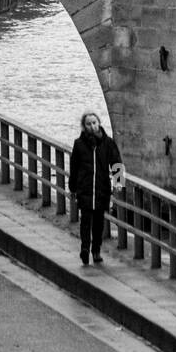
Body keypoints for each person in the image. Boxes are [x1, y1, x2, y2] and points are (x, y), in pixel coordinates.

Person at [68, 111, 122, 266]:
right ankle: (84, 249)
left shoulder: (108, 143)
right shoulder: (79, 144)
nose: (92, 126)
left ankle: (96, 250)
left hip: (101, 188)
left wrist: (118, 183)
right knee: (85, 220)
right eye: (88, 124)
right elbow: (74, 167)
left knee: (99, 222)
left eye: (94, 123)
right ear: (84, 126)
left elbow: (117, 162)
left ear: (99, 123)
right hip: (85, 188)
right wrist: (72, 188)